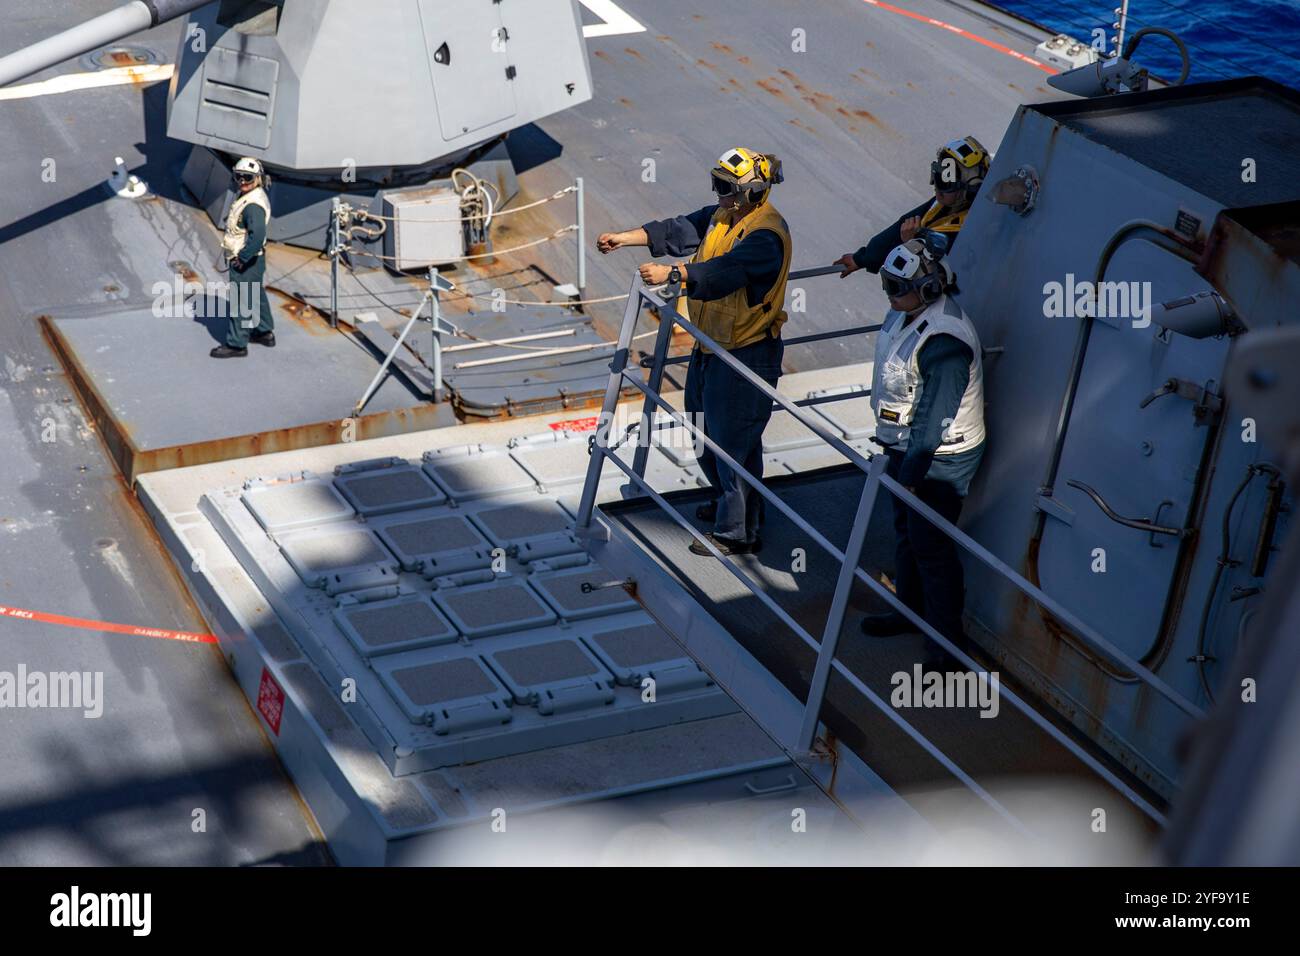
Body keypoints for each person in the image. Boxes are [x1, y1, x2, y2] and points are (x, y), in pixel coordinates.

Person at [596, 147, 792, 556]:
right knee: (704, 431)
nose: (718, 192)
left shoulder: (766, 236)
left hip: (746, 353)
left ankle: (737, 532)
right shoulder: (723, 215)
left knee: (732, 441)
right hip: (712, 346)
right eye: (717, 183)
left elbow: (727, 271)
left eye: (726, 186)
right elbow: (679, 229)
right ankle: (729, 502)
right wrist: (625, 238)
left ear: (753, 192)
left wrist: (674, 273)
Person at [861, 235, 986, 667]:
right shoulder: (908, 313)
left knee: (932, 549)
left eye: (897, 287)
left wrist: (912, 477)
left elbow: (935, 421)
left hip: (938, 460)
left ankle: (947, 648)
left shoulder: (945, 342)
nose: (889, 294)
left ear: (929, 288)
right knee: (907, 534)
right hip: (905, 448)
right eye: (887, 284)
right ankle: (910, 610)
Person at [834, 136, 989, 279]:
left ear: (969, 191)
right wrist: (863, 258)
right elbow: (900, 227)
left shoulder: (972, 231)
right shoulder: (946, 204)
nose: (936, 186)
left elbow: (942, 279)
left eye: (945, 182)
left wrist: (911, 244)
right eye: (937, 175)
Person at [211, 156, 275, 358]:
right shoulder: (251, 195)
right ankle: (264, 332)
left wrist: (242, 258)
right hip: (254, 261)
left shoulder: (252, 206)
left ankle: (237, 344)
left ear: (257, 178)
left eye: (247, 177)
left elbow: (257, 237)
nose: (242, 181)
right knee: (255, 293)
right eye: (238, 176)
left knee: (240, 302)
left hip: (246, 261)